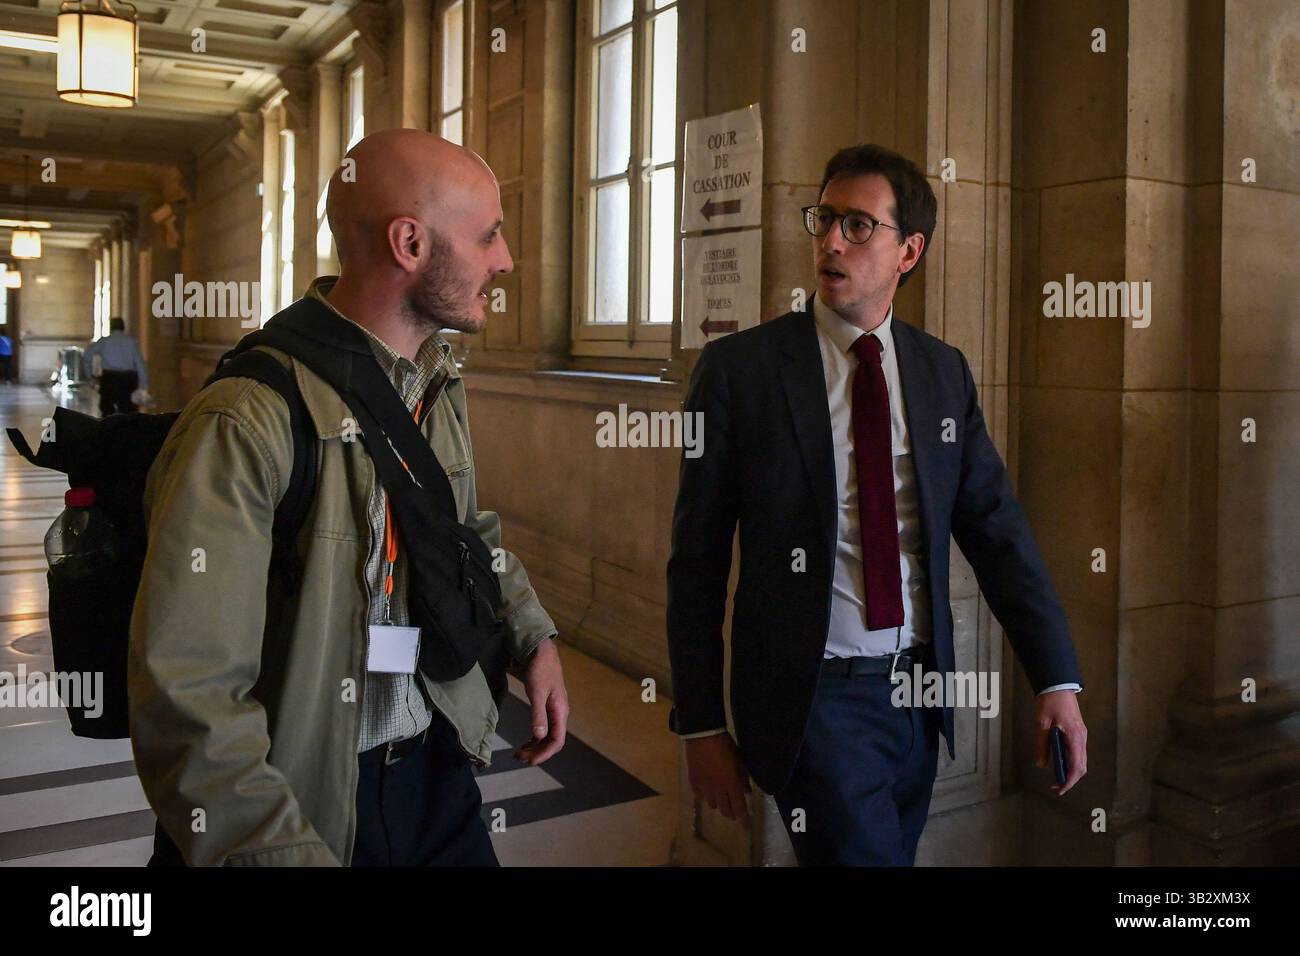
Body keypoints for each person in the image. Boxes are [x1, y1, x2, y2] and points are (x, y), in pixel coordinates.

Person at [129, 130, 569, 867]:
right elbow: (189, 699)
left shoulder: (434, 379)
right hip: (307, 805)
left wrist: (533, 635)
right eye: (489, 235)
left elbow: (464, 529)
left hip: (433, 774)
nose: (506, 260)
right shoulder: (246, 419)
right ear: (410, 243)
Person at [666, 143, 1088, 866]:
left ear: (908, 251)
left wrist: (1055, 677)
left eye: (858, 225)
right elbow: (697, 562)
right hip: (815, 700)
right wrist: (701, 726)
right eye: (824, 219)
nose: (830, 240)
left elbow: (997, 531)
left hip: (919, 697)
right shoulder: (743, 373)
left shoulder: (940, 373)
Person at [83, 317, 148, 414]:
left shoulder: (104, 341)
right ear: (123, 327)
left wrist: (90, 375)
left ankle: (110, 428)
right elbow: (139, 363)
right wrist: (144, 383)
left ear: (110, 327)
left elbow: (87, 356)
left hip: (109, 379)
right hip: (128, 380)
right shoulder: (132, 342)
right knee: (128, 412)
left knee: (107, 410)